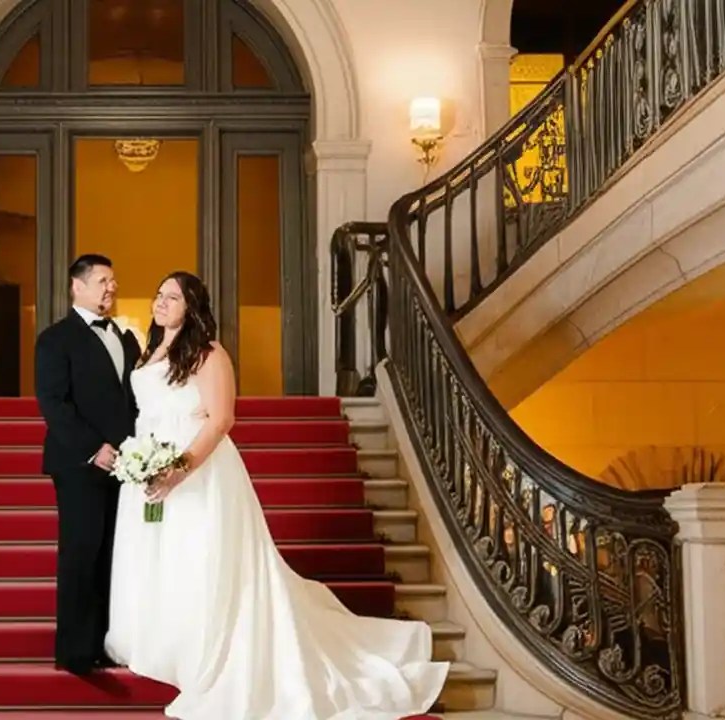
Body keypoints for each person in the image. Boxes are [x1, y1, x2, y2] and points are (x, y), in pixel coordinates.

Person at [104, 271, 449, 719]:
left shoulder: (208, 355)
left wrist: (178, 469)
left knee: (199, 557)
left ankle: (205, 648)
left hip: (197, 470)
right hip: (149, 468)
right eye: (159, 294)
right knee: (159, 556)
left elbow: (221, 420)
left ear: (192, 307)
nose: (161, 302)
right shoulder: (149, 352)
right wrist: (143, 463)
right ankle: (162, 639)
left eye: (173, 296)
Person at [34, 253, 141, 676]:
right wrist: (94, 448)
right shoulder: (55, 339)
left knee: (116, 554)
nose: (110, 288)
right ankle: (76, 652)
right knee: (81, 552)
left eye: (113, 281)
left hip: (127, 464)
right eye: (102, 280)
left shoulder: (126, 336)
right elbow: (53, 404)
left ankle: (107, 642)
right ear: (77, 286)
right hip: (80, 463)